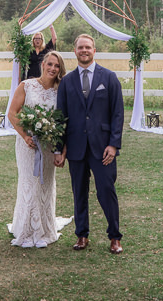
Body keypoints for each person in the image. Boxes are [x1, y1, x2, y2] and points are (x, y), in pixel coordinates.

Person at [55, 34, 124, 254]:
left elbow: (118, 114)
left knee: (106, 191)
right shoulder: (67, 81)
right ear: (74, 51)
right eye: (80, 47)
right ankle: (81, 235)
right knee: (79, 193)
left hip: (103, 147)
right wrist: (59, 148)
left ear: (94, 50)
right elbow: (60, 116)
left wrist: (113, 145)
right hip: (76, 147)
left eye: (88, 47)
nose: (84, 50)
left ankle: (115, 237)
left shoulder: (110, 78)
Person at [7, 51, 67, 248]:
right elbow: (12, 113)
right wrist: (25, 136)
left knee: (45, 184)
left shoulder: (62, 90)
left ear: (60, 69)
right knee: (28, 182)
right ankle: (26, 229)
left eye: (56, 66)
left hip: (49, 145)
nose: (52, 68)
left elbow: (65, 120)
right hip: (27, 144)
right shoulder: (27, 85)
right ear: (43, 64)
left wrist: (61, 150)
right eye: (49, 64)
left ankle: (44, 230)